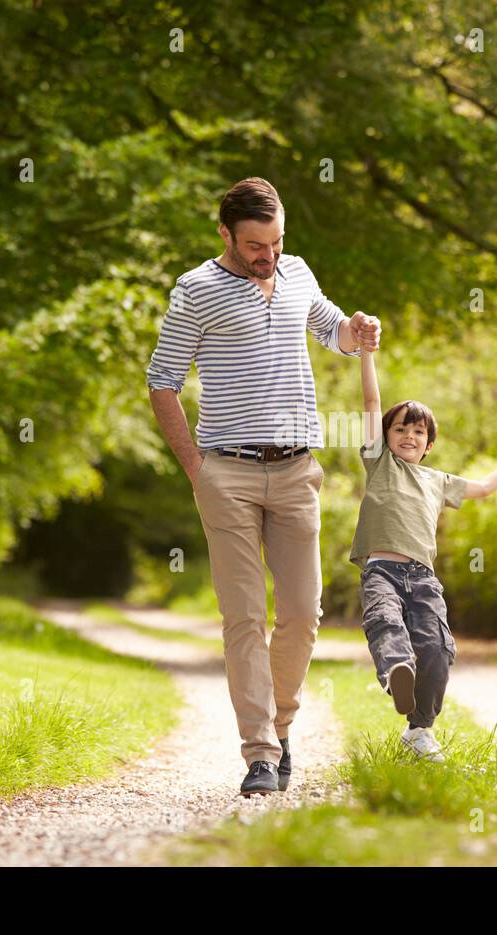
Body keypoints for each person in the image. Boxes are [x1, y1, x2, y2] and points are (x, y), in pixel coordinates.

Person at [145, 177, 380, 797]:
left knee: (303, 613)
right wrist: (198, 470)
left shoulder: (298, 272)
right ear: (225, 234)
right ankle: (258, 753)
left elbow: (337, 334)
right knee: (244, 615)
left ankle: (280, 729)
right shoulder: (196, 291)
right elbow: (162, 380)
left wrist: (359, 328)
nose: (267, 256)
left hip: (298, 469)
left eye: (275, 242)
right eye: (254, 244)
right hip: (228, 472)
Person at [350, 345, 497, 762]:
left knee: (436, 647)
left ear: (429, 444)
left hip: (422, 577)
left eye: (418, 432)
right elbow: (370, 401)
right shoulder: (380, 463)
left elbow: (486, 488)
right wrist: (366, 353)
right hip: (381, 570)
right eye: (400, 429)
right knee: (385, 622)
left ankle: (419, 731)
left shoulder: (438, 481)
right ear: (385, 437)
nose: (409, 436)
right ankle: (397, 671)